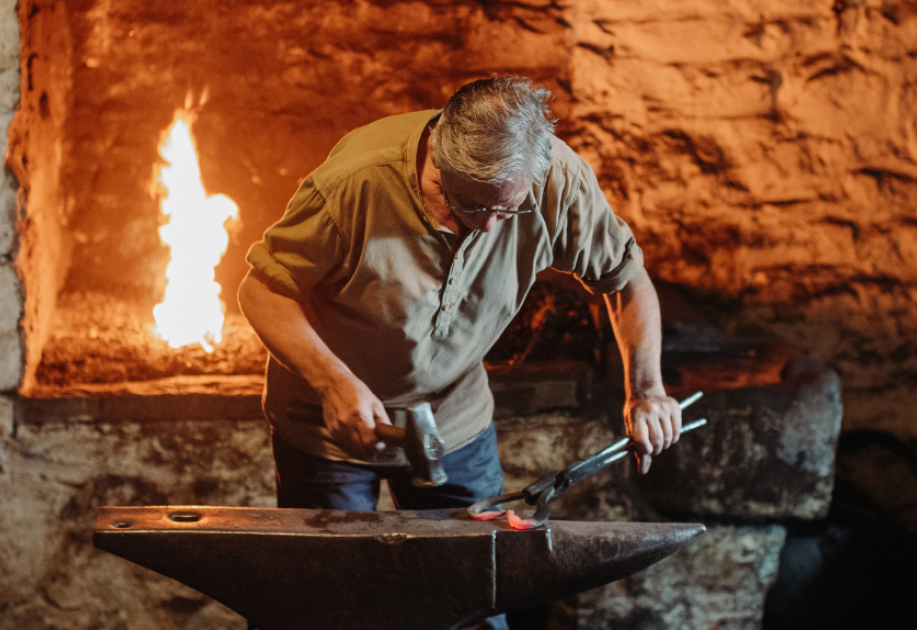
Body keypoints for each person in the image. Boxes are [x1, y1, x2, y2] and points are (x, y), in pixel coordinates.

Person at [238, 74, 681, 560]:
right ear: (437, 155)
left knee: (478, 589)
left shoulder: (559, 180)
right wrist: (331, 383)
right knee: (323, 599)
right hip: (326, 428)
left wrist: (647, 391)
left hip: (453, 421)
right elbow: (263, 290)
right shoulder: (354, 184)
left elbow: (626, 280)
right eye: (462, 202)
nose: (486, 224)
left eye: (506, 210)